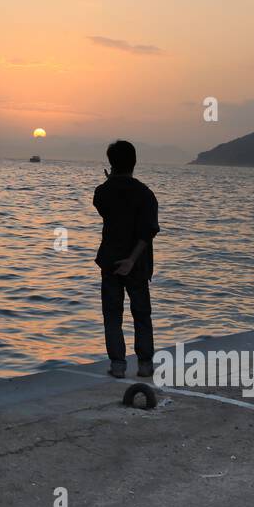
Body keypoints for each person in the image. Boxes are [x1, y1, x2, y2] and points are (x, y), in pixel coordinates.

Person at [93, 140, 159, 379]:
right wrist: (131, 260)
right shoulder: (146, 194)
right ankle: (144, 365)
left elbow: (103, 207)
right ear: (134, 162)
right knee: (141, 314)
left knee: (112, 315)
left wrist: (111, 181)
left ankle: (118, 365)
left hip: (110, 262)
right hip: (138, 265)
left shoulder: (102, 192)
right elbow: (148, 231)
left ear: (111, 163)